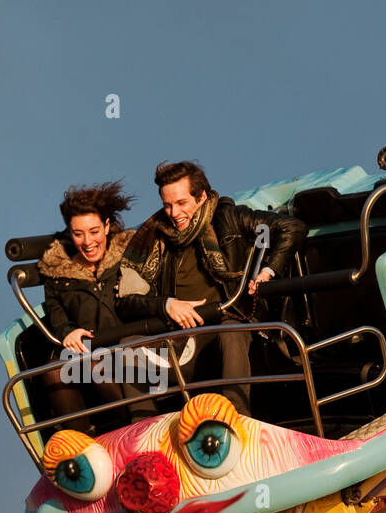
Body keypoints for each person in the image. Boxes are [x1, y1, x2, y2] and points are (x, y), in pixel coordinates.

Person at [116, 160, 308, 414]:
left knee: (230, 332)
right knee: (127, 348)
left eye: (181, 203)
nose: (173, 213)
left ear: (201, 197)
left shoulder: (228, 217)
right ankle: (143, 434)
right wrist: (167, 305)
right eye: (167, 205)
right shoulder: (155, 237)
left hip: (229, 325)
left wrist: (267, 271)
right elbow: (126, 300)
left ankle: (234, 419)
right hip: (181, 339)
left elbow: (292, 227)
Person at [38, 181, 158, 430]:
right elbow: (58, 319)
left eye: (93, 231)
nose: (87, 241)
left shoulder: (129, 257)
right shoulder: (58, 275)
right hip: (94, 360)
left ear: (106, 226)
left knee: (97, 366)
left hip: (137, 356)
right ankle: (81, 445)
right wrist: (67, 333)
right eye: (78, 233)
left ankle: (137, 426)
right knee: (56, 370)